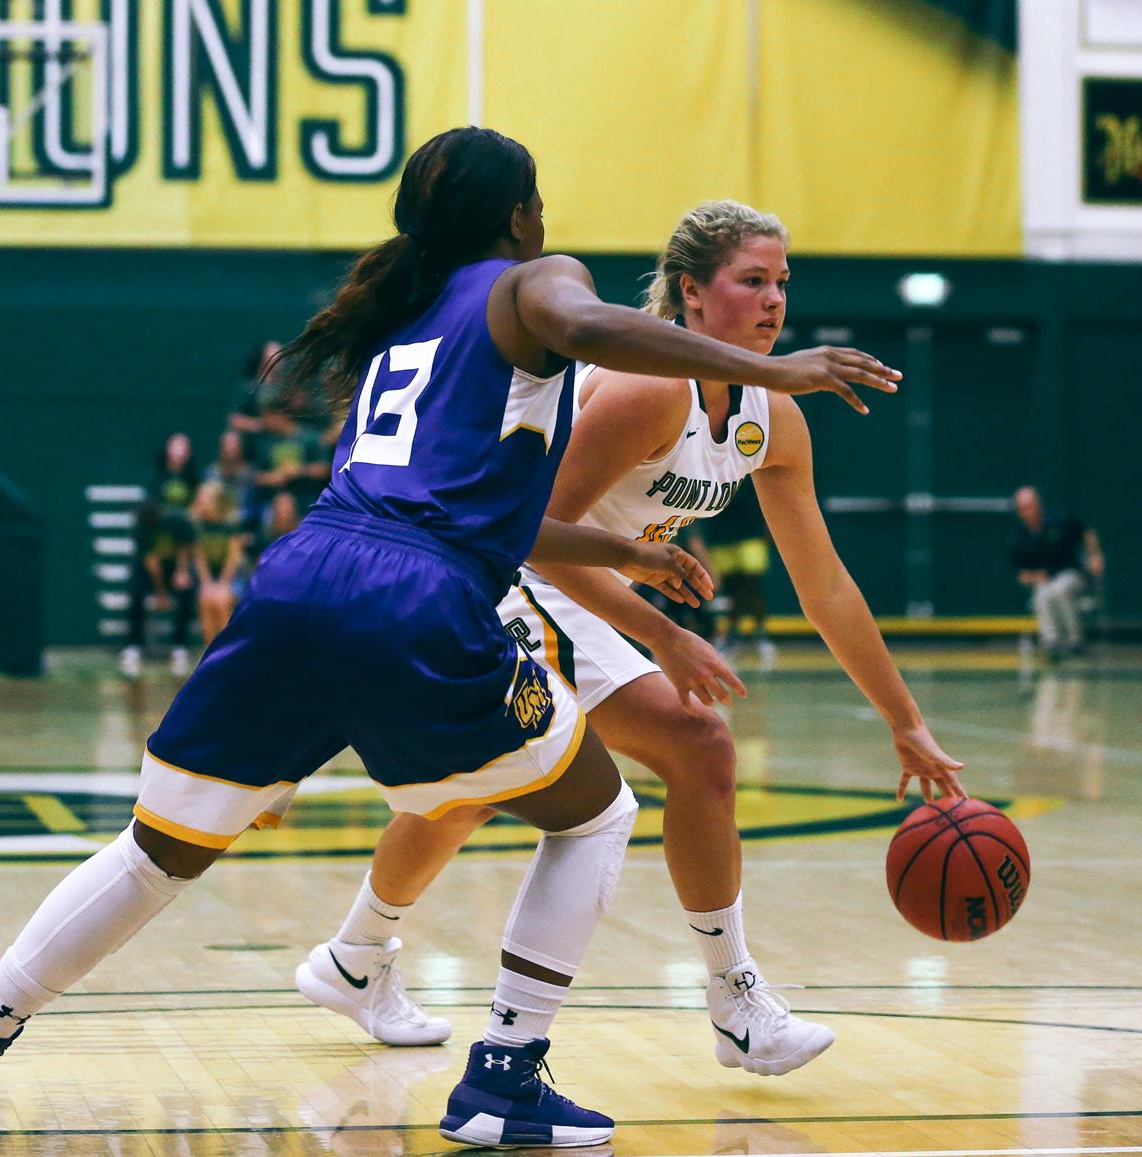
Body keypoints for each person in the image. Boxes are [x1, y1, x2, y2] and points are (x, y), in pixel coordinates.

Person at [0, 128, 902, 1147]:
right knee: (593, 815)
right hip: (414, 595)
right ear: (516, 215)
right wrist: (776, 365)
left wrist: (628, 557)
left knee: (154, 854)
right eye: (536, 199)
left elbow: (464, 501)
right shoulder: (529, 283)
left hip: (300, 575)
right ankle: (503, 1074)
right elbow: (588, 325)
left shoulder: (403, 315)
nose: (545, 216)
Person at [293, 200, 967, 1079]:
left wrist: (903, 719)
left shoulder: (773, 415)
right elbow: (530, 530)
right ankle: (734, 1001)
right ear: (692, 292)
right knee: (696, 743)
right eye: (752, 281)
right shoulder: (649, 388)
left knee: (469, 791)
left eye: (781, 284)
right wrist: (664, 636)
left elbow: (826, 585)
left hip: (584, 594)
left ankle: (353, 957)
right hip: (505, 578)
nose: (773, 302)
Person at [120, 437, 200, 679]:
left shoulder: (178, 522)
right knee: (135, 589)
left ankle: (179, 646)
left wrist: (182, 573)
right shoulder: (146, 526)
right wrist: (162, 593)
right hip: (152, 570)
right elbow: (150, 560)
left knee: (187, 589)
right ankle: (133, 646)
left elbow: (185, 549)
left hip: (174, 565)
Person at [1011, 485, 1105, 657]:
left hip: (1072, 575)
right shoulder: (1020, 539)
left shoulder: (1059, 521)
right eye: (1023, 508)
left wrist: (1095, 555)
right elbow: (1021, 575)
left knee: (1059, 590)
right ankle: (1051, 642)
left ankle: (1075, 640)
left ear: (1038, 504)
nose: (1028, 511)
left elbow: (1086, 532)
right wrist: (1035, 577)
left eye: (1030, 505)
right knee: (1042, 594)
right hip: (1043, 581)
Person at [704, 469, 775, 667]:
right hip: (721, 536)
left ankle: (761, 633)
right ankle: (733, 634)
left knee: (752, 586)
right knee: (730, 589)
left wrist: (768, 527)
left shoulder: (749, 464)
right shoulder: (711, 468)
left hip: (750, 535)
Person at [249, 398, 332, 542]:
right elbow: (257, 477)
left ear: (280, 416)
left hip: (307, 501)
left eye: (268, 417)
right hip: (273, 505)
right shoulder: (266, 442)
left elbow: (325, 469)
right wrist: (274, 477)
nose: (265, 422)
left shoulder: (309, 438)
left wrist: (298, 470)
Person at [189, 478, 248, 643]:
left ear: (215, 500)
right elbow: (198, 557)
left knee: (222, 602)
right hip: (208, 576)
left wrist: (223, 583)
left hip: (232, 575)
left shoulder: (231, 522)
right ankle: (209, 652)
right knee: (205, 599)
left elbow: (233, 559)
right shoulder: (197, 523)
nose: (199, 501)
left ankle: (226, 652)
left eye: (203, 498)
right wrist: (207, 583)